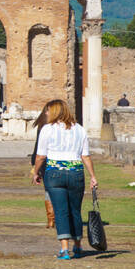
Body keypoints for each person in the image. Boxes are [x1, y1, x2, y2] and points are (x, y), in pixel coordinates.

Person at [30, 98, 98, 259]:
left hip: (54, 172)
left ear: (53, 112)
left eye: (48, 110)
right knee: (75, 210)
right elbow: (86, 156)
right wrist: (93, 176)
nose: (45, 113)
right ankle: (78, 245)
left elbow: (40, 156)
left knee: (61, 211)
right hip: (76, 172)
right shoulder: (80, 129)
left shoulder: (47, 129)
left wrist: (36, 172)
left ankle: (64, 249)